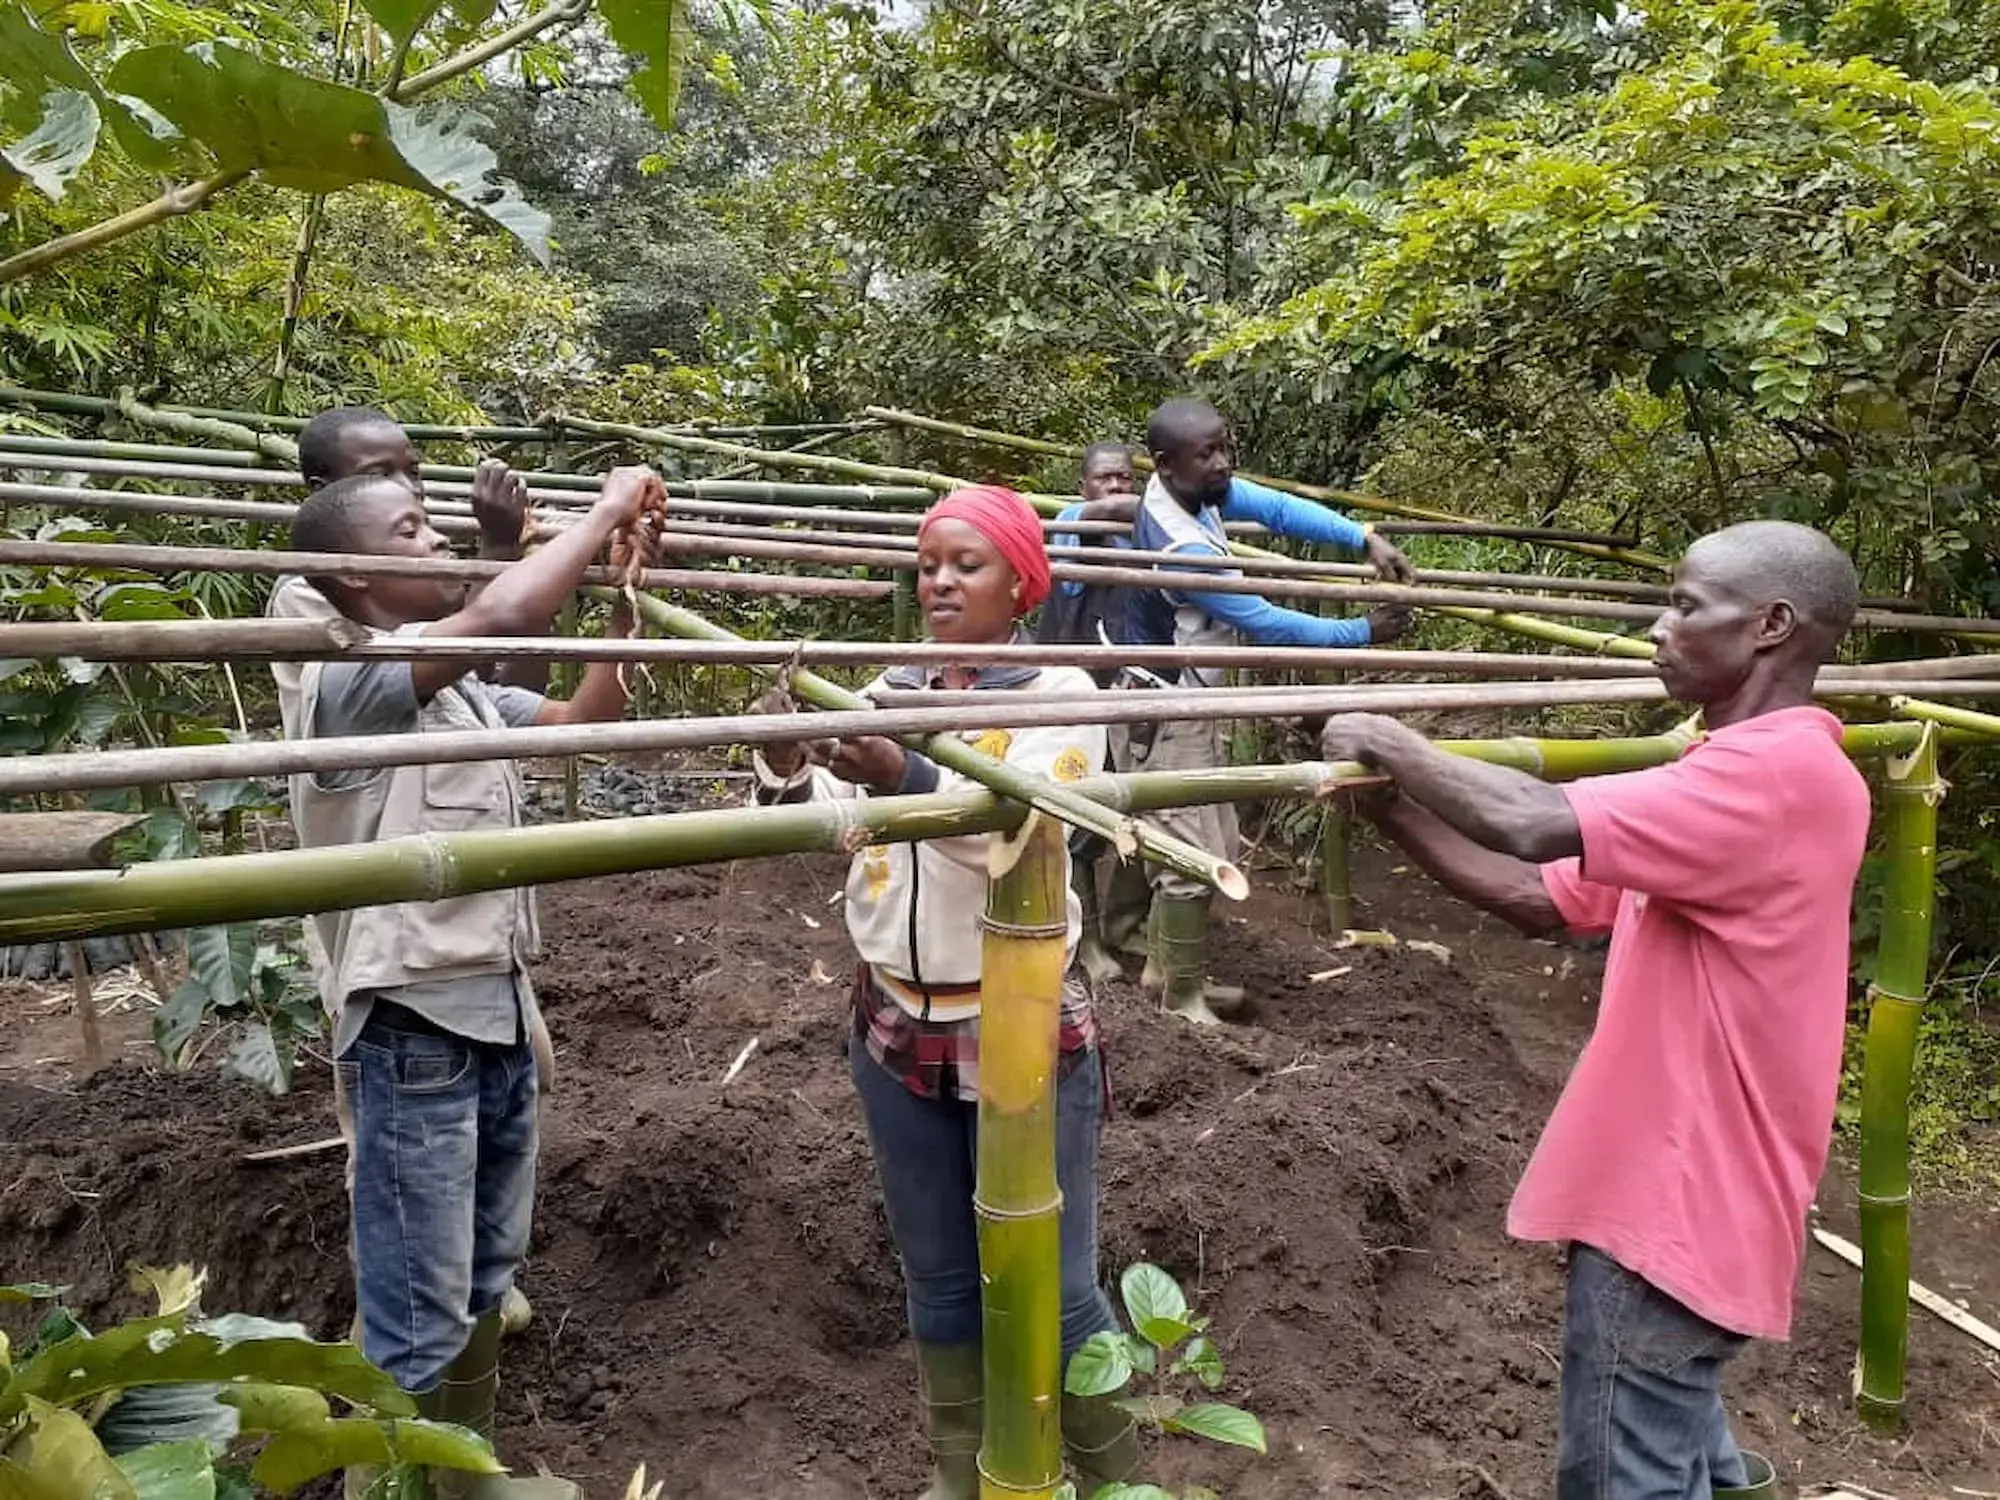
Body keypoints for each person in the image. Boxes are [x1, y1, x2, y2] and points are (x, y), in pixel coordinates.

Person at [1319, 520, 1867, 1500]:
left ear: (1771, 626)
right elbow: (1545, 897)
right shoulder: (1736, 773)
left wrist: (1390, 739)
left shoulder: (1768, 779)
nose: (1658, 628)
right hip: (1697, 1200)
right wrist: (1390, 810)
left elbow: (1530, 823)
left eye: (1685, 606)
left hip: (1672, 1209)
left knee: (1625, 1477)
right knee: (1684, 1451)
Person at [277, 465, 666, 1500]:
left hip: (489, 1003)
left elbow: (581, 719)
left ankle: (463, 1477)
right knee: (414, 1310)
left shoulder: (454, 688)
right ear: (355, 581)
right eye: (411, 535)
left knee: (487, 1269)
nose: (439, 545)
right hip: (409, 1022)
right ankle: (388, 1486)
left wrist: (620, 599)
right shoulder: (346, 684)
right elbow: (502, 603)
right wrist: (600, 510)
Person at [749, 485, 1138, 1500]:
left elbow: (1017, 836)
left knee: (1054, 1289)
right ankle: (965, 1478)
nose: (938, 582)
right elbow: (835, 817)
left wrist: (901, 774)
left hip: (1011, 1023)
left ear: (1020, 583)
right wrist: (789, 765)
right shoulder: (889, 687)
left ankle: (1105, 1478)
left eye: (965, 565)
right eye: (927, 565)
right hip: (891, 1017)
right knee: (937, 1281)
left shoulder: (1059, 697)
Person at [273, 404, 553, 1339]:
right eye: (393, 498)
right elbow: (491, 622)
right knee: (411, 1253)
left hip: (478, 960)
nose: (422, 509)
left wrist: (509, 559)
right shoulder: (317, 622)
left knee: (476, 1237)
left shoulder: (437, 644)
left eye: (416, 480)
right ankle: (397, 1457)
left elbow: (505, 661)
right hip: (405, 965)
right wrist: (526, 546)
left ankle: (458, 1396)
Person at [1125, 397, 1415, 1023]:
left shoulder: (1190, 489)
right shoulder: (1182, 547)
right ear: (1166, 464)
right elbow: (1267, 621)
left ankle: (1164, 972)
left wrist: (1364, 537)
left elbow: (1279, 509)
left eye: (1225, 447)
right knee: (1188, 849)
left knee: (1213, 837)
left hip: (1194, 698)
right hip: (1164, 706)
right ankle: (1181, 999)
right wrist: (1362, 632)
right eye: (1209, 454)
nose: (1223, 464)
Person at [1037, 441, 1144, 981]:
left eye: (1126, 479)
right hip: (1074, 695)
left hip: (1132, 694)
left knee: (1139, 808)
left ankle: (1128, 926)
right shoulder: (1070, 533)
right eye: (1106, 479)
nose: (1119, 489)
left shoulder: (1146, 543)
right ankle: (1089, 940)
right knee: (1080, 818)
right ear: (1085, 488)